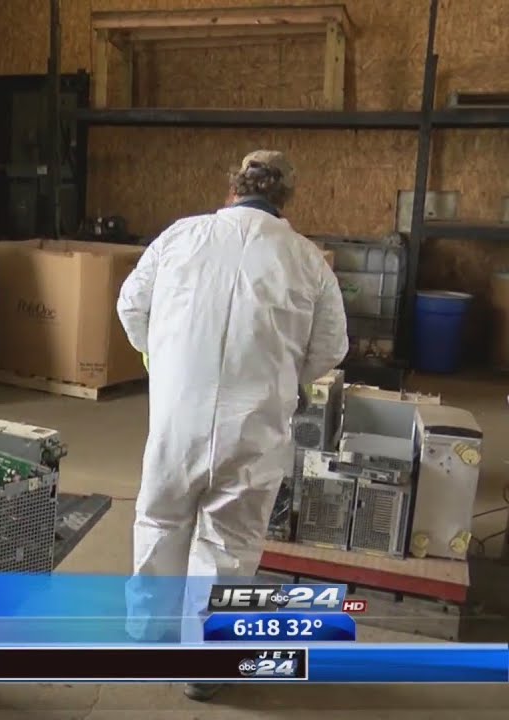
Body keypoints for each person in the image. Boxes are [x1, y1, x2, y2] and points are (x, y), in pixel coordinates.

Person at [116, 151, 348, 702]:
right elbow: (331, 347)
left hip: (178, 418)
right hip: (256, 424)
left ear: (233, 188)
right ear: (285, 197)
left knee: (161, 519)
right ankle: (203, 664)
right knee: (229, 543)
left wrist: (160, 357)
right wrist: (287, 377)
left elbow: (131, 307)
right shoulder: (307, 259)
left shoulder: (180, 236)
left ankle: (147, 634)